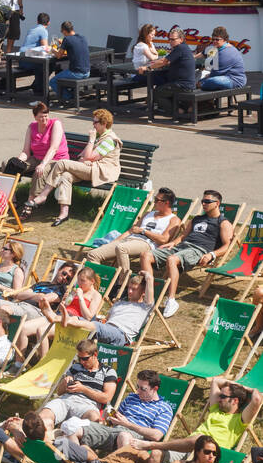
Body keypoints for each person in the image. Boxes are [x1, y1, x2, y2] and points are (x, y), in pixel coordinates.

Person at [126, 377, 259, 463]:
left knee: (198, 439)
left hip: (206, 453)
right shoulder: (216, 409)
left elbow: (258, 399)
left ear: (235, 401)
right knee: (155, 454)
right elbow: (216, 381)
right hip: (187, 447)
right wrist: (237, 387)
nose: (218, 398)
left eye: (223, 396)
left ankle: (152, 444)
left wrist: (247, 390)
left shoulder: (240, 420)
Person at [139, 188, 233, 318]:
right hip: (181, 247)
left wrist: (212, 255)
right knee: (146, 255)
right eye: (202, 201)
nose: (204, 204)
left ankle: (171, 300)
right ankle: (148, 292)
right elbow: (183, 236)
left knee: (172, 259)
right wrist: (174, 242)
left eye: (207, 201)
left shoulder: (223, 223)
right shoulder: (197, 219)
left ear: (217, 204)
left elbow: (227, 246)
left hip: (198, 250)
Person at [22, 109, 121, 227]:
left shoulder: (110, 139)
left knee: (62, 163)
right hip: (91, 168)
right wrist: (86, 160)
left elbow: (89, 156)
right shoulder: (101, 136)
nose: (93, 125)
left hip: (101, 172)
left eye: (95, 122)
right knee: (66, 176)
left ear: (104, 124)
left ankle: (43, 195)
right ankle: (64, 213)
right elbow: (83, 156)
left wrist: (91, 141)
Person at [83, 186, 181, 285]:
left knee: (122, 248)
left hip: (146, 244)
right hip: (128, 240)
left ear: (166, 203)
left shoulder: (174, 219)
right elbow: (131, 231)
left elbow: (164, 239)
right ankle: (99, 282)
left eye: (157, 200)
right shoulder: (148, 214)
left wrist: (143, 231)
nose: (154, 202)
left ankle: (123, 285)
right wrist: (112, 243)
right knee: (93, 254)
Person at [76, 369, 175, 455]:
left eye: (143, 389)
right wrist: (109, 415)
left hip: (136, 438)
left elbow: (156, 435)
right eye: (137, 387)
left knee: (123, 436)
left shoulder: (164, 408)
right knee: (75, 428)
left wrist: (128, 424)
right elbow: (113, 422)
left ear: (155, 389)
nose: (138, 391)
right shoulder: (132, 397)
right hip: (113, 431)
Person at [37, 338, 118, 441]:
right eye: (79, 358)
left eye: (85, 359)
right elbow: (59, 392)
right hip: (66, 400)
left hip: (87, 405)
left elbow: (106, 398)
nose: (81, 362)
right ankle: (46, 443)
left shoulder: (108, 371)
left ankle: (62, 440)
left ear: (95, 355)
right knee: (43, 419)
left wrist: (83, 389)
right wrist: (65, 382)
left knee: (94, 419)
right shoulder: (76, 367)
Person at [11, 100, 69, 180]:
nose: (44, 119)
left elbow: (54, 148)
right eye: (41, 117)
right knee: (11, 165)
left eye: (46, 116)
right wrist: (18, 161)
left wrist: (43, 164)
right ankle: (5, 191)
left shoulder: (56, 123)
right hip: (36, 159)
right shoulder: (31, 127)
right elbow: (26, 151)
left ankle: (34, 193)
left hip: (55, 160)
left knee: (39, 173)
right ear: (35, 117)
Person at [139, 27, 195, 93]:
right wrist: (156, 63)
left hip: (183, 85)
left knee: (157, 92)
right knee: (160, 83)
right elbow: (166, 60)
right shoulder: (183, 47)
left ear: (181, 39)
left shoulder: (179, 48)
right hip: (184, 83)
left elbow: (164, 62)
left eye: (173, 39)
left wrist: (148, 67)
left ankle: (175, 103)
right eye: (169, 39)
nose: (170, 42)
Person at [47, 20, 91, 103]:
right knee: (62, 73)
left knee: (52, 81)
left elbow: (59, 56)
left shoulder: (66, 39)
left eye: (61, 31)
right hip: (87, 71)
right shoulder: (82, 37)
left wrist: (52, 50)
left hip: (76, 73)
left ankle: (69, 97)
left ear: (64, 31)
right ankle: (70, 93)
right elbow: (75, 49)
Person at [199, 26, 246, 91]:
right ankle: (208, 99)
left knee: (211, 81)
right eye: (213, 39)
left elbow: (216, 73)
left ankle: (205, 94)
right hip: (220, 75)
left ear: (224, 39)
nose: (214, 41)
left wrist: (203, 80)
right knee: (203, 78)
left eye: (217, 39)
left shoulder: (227, 52)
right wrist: (192, 57)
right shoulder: (214, 47)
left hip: (233, 80)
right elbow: (203, 54)